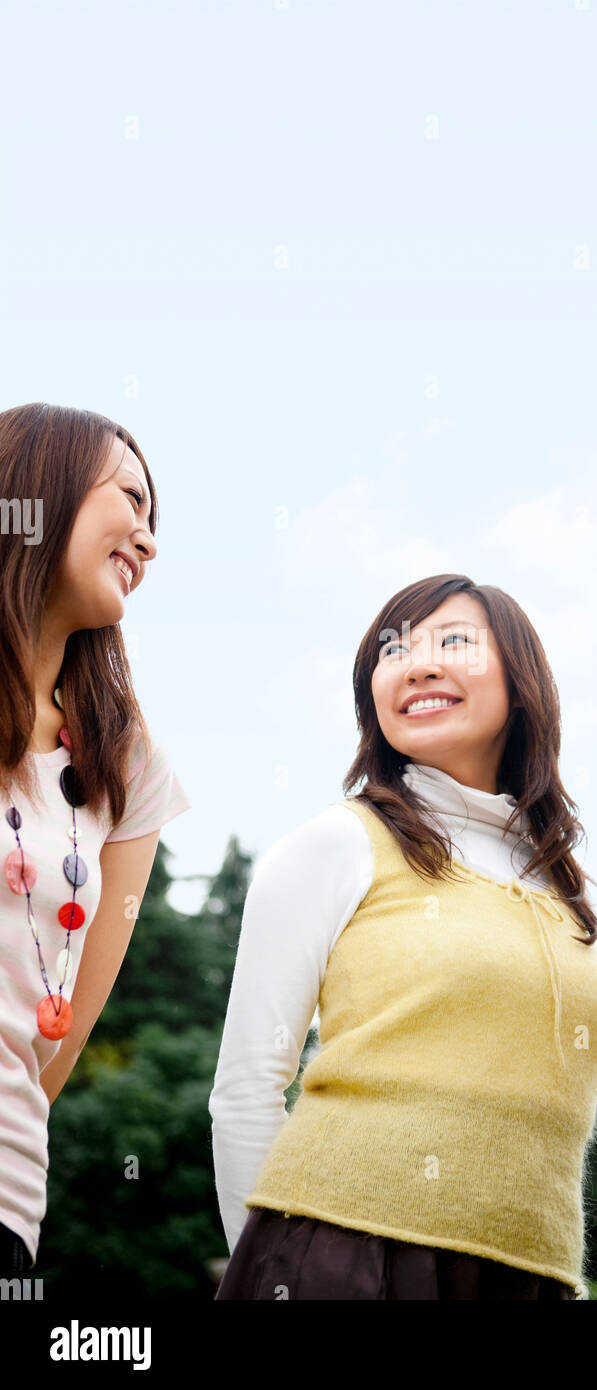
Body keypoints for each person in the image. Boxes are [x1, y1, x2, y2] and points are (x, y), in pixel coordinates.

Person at [210, 573, 597, 1300]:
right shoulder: (338, 843)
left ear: (522, 680)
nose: (417, 663)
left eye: (453, 641)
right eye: (392, 650)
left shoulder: (560, 883)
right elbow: (246, 1091)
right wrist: (269, 1278)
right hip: (345, 1256)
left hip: (529, 1275)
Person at [0, 403, 191, 1282]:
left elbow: (63, 1031)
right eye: (131, 499)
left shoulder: (129, 766)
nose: (147, 541)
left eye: (156, 523)